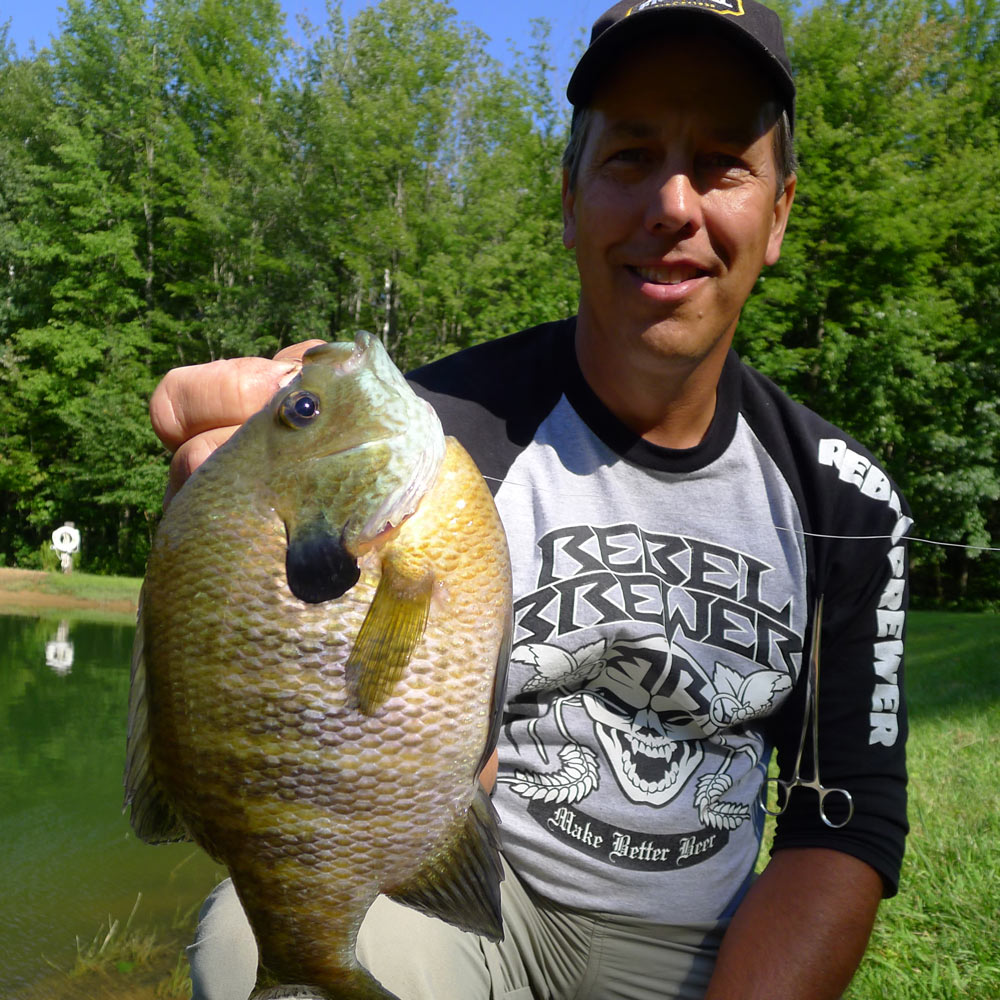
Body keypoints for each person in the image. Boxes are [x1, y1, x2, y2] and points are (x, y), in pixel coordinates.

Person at [152, 1, 910, 997]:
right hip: (475, 912)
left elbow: (842, 822)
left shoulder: (845, 501)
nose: (673, 204)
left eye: (723, 162)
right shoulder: (438, 444)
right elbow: (353, 700)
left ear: (778, 214)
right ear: (568, 199)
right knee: (249, 950)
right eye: (630, 156)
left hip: (703, 954)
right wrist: (237, 519)